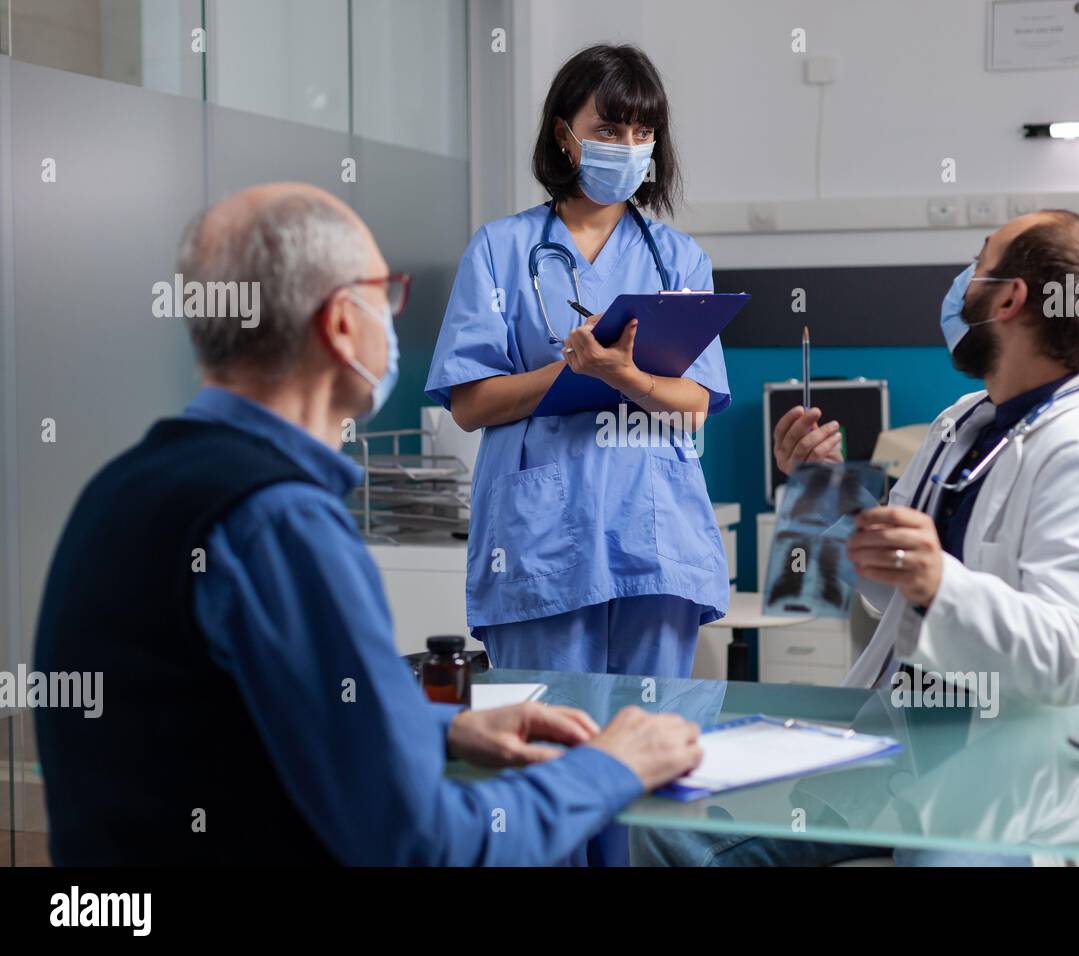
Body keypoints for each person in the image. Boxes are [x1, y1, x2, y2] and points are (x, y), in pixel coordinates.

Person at [34, 183, 702, 866]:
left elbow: (235, 720)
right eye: (388, 293)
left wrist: (442, 727)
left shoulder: (122, 487)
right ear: (343, 323)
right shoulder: (279, 523)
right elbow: (425, 844)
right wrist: (615, 768)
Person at [632, 209, 1079, 866]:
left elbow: (1073, 660)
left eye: (978, 261)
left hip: (1022, 783)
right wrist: (823, 486)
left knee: (939, 860)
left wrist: (939, 580)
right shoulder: (962, 425)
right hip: (898, 757)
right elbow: (888, 599)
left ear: (1010, 297)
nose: (961, 284)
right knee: (661, 833)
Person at [425, 44, 730, 682]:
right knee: (548, 739)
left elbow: (696, 403)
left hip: (654, 538)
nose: (629, 145)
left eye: (643, 132)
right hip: (540, 537)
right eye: (608, 130)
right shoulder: (499, 250)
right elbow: (471, 402)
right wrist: (574, 368)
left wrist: (625, 376)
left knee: (651, 744)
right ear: (565, 136)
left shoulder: (679, 260)